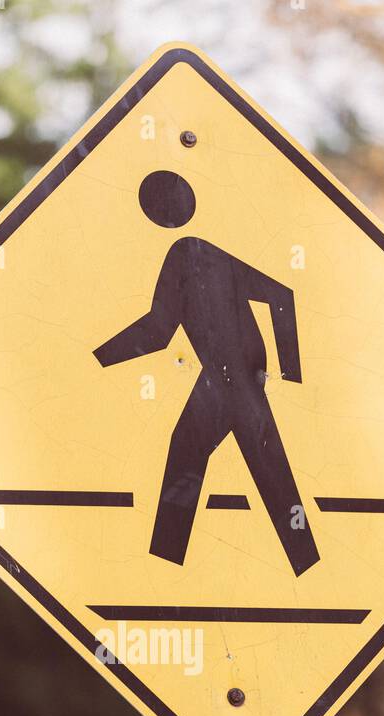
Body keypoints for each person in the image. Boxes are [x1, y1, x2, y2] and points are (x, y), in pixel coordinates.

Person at [94, 169, 319, 575]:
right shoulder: (192, 251)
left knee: (217, 461)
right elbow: (161, 331)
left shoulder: (190, 251)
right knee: (258, 471)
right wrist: (100, 358)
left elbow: (279, 295)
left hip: (232, 380)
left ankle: (165, 568)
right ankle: (306, 566)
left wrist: (292, 372)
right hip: (231, 378)